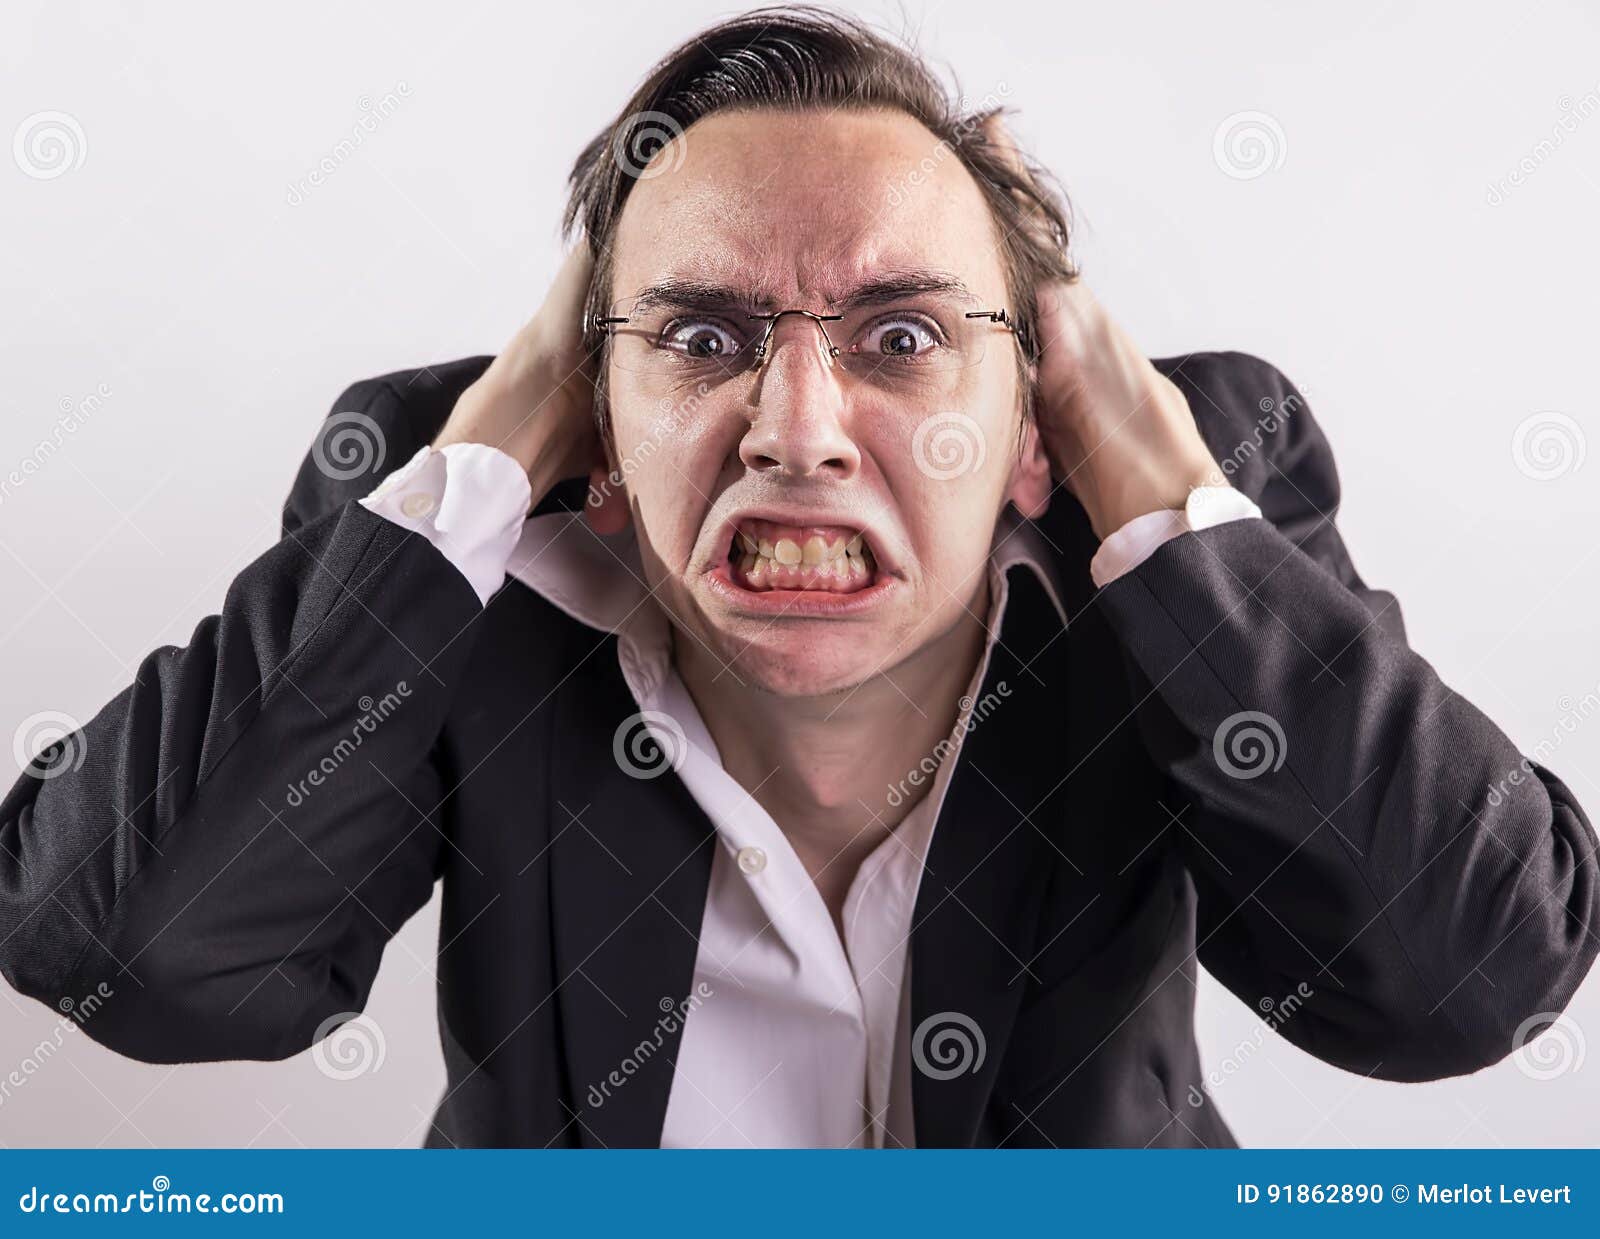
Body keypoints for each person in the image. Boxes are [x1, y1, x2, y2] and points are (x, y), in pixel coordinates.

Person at [3, 6, 1595, 1148]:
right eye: (701, 337)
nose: (799, 430)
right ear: (594, 419)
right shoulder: (464, 551)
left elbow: (1469, 983)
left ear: (1034, 411)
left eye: (903, 337)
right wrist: (492, 440)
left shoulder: (1171, 529)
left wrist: (1160, 489)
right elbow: (130, 952)